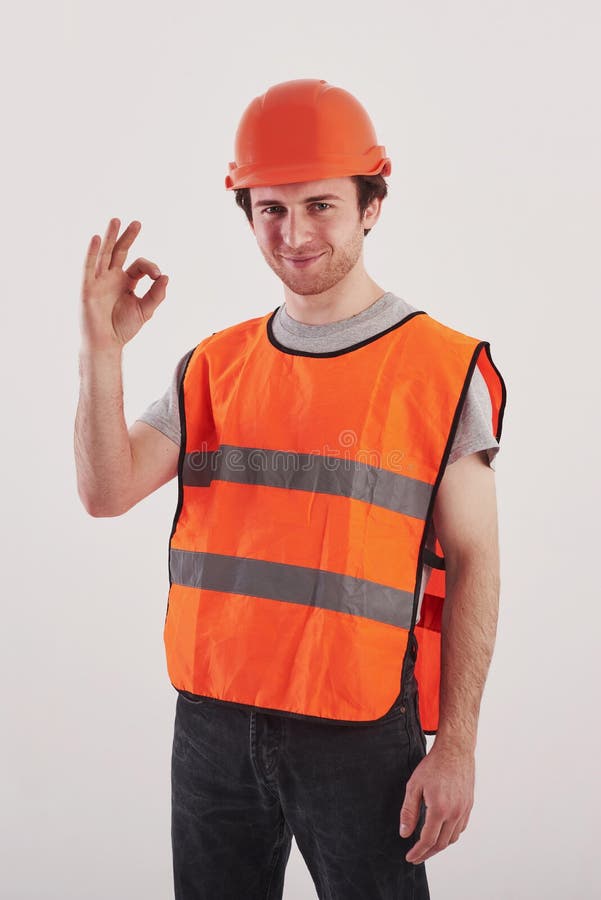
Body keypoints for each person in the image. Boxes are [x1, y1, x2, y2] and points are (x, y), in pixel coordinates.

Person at [75, 78, 506, 900]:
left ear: (370, 204)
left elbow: (479, 563)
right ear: (245, 210)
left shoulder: (438, 370)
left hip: (356, 729)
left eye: (320, 205)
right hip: (209, 719)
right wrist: (102, 353)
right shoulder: (214, 364)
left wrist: (455, 747)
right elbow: (105, 490)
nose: (295, 233)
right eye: (270, 208)